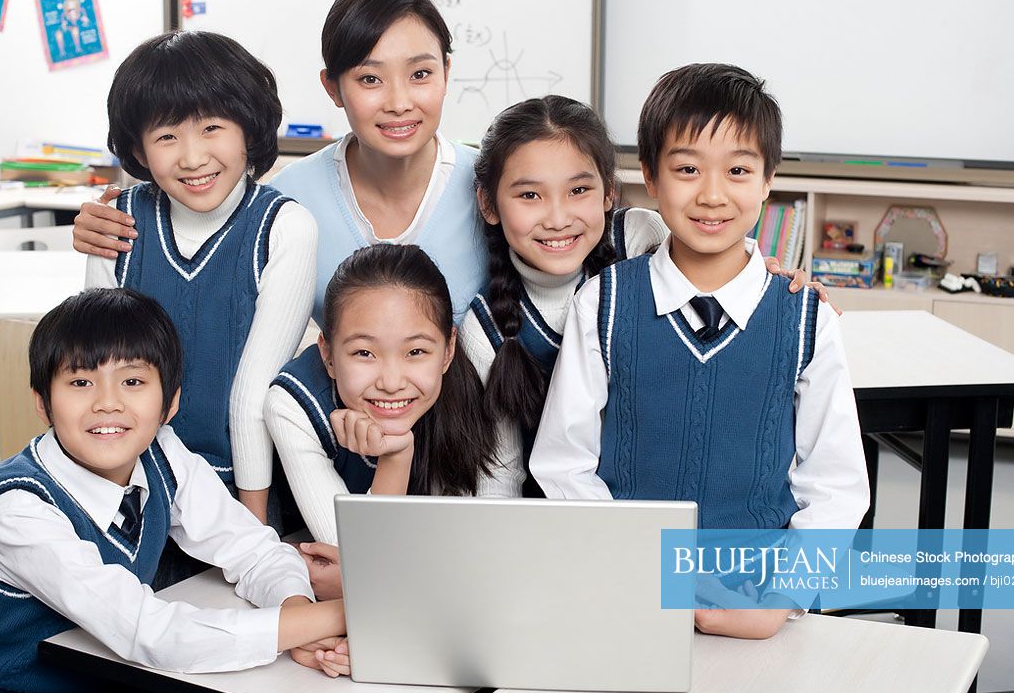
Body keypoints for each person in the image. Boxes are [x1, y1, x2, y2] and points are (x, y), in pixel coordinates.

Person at [0, 289, 347, 693]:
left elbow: (253, 549)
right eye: (81, 382)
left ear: (170, 403)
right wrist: (342, 615)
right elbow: (150, 634)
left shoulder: (162, 452)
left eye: (132, 380)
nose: (108, 403)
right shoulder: (20, 510)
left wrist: (298, 613)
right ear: (43, 403)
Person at [531, 64, 869, 640]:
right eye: (687, 169)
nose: (712, 194)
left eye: (738, 170)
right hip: (627, 598)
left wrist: (780, 600)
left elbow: (835, 485)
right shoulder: (605, 303)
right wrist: (629, 572)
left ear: (767, 181)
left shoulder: (806, 318)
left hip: (757, 601)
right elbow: (564, 463)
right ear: (652, 178)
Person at [462, 94, 825, 497]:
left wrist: (774, 286)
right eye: (530, 195)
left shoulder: (637, 238)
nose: (558, 218)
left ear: (608, 193)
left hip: (661, 487)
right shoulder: (486, 329)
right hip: (564, 509)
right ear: (488, 203)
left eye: (579, 189)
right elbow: (500, 477)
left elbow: (707, 256)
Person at [72, 0, 487, 324]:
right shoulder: (290, 199)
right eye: (370, 79)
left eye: (420, 74)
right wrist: (108, 219)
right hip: (332, 419)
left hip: (474, 417)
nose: (399, 101)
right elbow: (199, 220)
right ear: (333, 88)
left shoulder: (492, 185)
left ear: (447, 72)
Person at [88, 30, 317, 525]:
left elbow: (254, 392)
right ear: (139, 148)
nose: (192, 158)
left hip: (240, 489)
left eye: (212, 128)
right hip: (131, 490)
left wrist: (250, 533)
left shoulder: (284, 228)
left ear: (248, 131)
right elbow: (98, 379)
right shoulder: (117, 225)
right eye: (167, 136)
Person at [267, 244, 520, 598]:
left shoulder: (475, 381)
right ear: (327, 354)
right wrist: (396, 457)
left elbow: (489, 537)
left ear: (448, 350)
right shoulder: (293, 404)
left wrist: (365, 577)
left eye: (416, 352)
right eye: (364, 353)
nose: (391, 382)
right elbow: (364, 555)